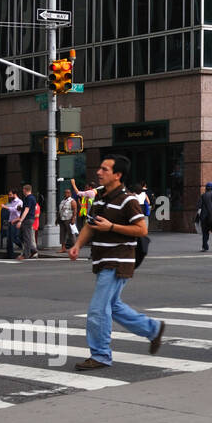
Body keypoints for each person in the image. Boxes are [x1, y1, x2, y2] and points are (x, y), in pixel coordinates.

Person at [68, 153, 165, 370]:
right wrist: (77, 245)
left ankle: (101, 355)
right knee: (113, 306)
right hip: (103, 260)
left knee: (97, 310)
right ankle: (152, 329)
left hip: (118, 261)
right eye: (100, 168)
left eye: (105, 169)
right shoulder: (100, 197)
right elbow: (90, 225)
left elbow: (141, 229)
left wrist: (111, 227)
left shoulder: (128, 200)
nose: (99, 172)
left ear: (118, 175)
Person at [15, 183, 39, 259]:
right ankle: (33, 250)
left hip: (28, 219)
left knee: (26, 237)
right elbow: (31, 208)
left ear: (25, 190)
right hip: (28, 219)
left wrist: (20, 220)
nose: (22, 191)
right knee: (21, 236)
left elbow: (27, 209)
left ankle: (26, 254)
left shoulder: (30, 198)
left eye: (23, 189)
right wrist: (21, 209)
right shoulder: (29, 198)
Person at [57, 187, 78, 253]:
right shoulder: (62, 201)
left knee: (71, 234)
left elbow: (75, 210)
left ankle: (75, 248)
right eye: (65, 192)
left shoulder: (72, 201)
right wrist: (57, 219)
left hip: (69, 219)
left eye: (68, 192)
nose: (66, 194)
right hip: (62, 219)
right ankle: (63, 248)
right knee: (62, 234)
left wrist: (74, 219)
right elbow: (60, 210)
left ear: (70, 194)